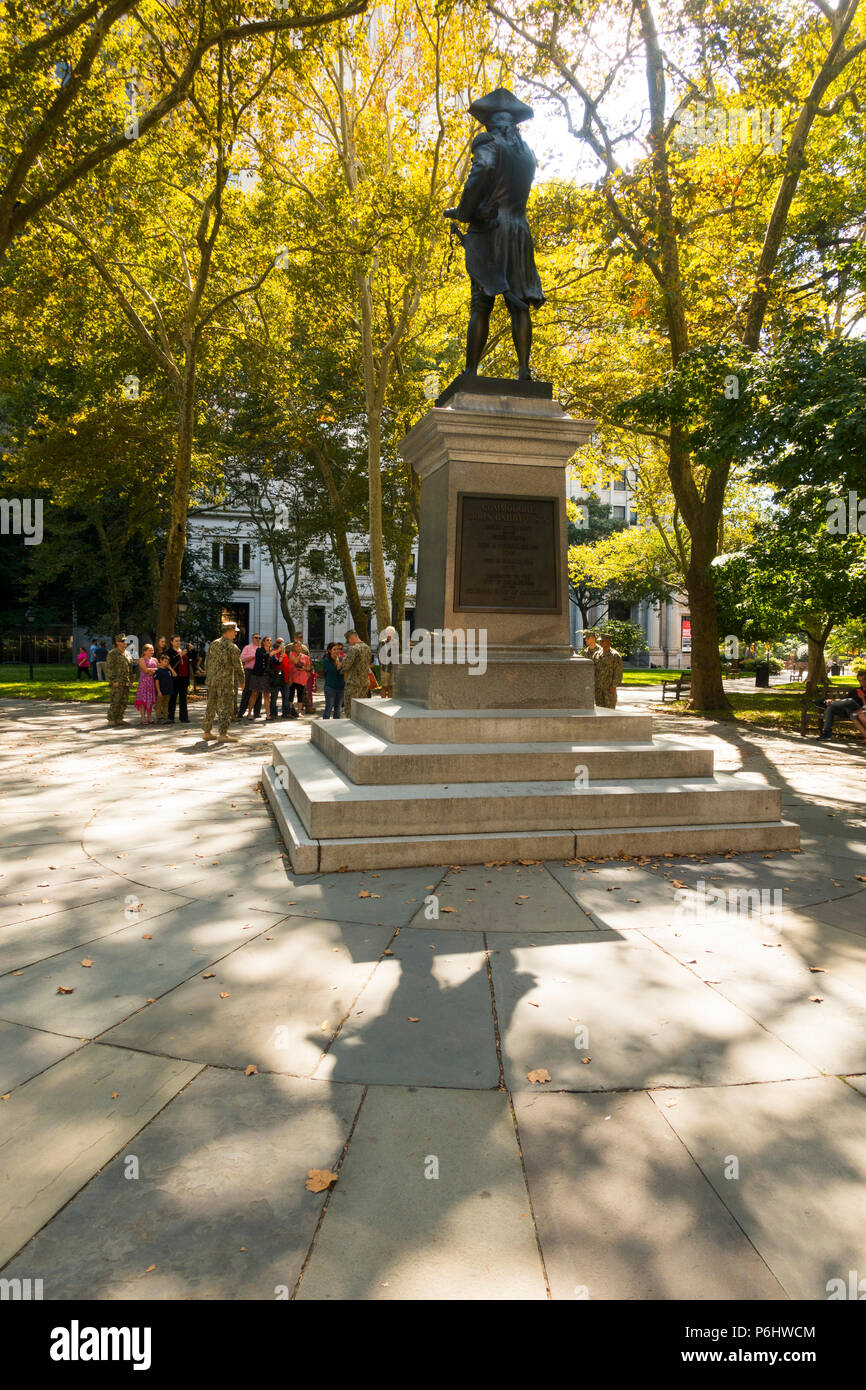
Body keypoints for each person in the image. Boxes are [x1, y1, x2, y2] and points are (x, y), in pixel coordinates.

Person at [443, 88, 545, 380]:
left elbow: (485, 168)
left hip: (491, 231)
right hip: (519, 231)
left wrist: (463, 211)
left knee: (481, 301)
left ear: (490, 124)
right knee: (520, 302)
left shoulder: (488, 143)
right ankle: (524, 370)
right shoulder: (526, 153)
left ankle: (471, 372)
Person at [202, 620, 245, 743]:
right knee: (225, 707)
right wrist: (242, 681)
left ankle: (206, 732)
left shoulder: (213, 644)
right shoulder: (232, 647)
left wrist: (210, 676)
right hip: (225, 682)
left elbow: (207, 662)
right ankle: (223, 734)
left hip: (212, 681)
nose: (236, 634)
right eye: (235, 632)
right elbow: (238, 666)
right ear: (230, 631)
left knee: (211, 706)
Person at [817, 668, 866, 742]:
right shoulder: (856, 690)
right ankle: (827, 733)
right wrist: (831, 701)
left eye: (863, 680)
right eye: (860, 680)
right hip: (847, 711)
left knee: (850, 701)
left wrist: (862, 698)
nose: (862, 682)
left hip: (858, 710)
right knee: (831, 707)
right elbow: (843, 700)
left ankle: (824, 704)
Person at [341, 629, 372, 719]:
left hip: (353, 682)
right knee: (361, 708)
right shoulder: (367, 647)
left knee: (350, 708)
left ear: (352, 638)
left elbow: (347, 666)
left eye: (349, 640)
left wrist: (343, 663)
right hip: (364, 682)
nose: (349, 643)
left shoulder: (353, 649)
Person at [106, 634, 132, 726]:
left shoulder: (128, 653)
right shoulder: (112, 653)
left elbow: (130, 668)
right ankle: (111, 719)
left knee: (124, 701)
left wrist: (131, 680)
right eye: (122, 641)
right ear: (117, 642)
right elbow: (109, 668)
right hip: (117, 681)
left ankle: (119, 718)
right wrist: (113, 681)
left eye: (125, 641)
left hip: (126, 681)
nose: (124, 643)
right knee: (115, 700)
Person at [594, 634, 623, 709]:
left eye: (603, 641)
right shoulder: (597, 654)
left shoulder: (615, 655)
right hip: (598, 688)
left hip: (609, 689)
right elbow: (593, 670)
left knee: (610, 709)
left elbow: (618, 672)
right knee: (599, 709)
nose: (600, 643)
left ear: (608, 642)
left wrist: (614, 685)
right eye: (600, 641)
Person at [237, 633, 261, 720]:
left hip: (259, 672)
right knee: (247, 692)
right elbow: (242, 658)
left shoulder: (262, 648)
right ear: (252, 638)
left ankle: (257, 712)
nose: (258, 639)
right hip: (249, 671)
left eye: (259, 638)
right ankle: (241, 712)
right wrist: (254, 656)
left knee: (258, 693)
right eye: (256, 638)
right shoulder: (247, 647)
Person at [287, 636, 312, 716]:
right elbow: (295, 661)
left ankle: (299, 711)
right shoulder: (292, 654)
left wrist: (304, 668)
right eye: (296, 647)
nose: (297, 648)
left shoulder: (306, 657)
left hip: (301, 679)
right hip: (293, 678)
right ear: (294, 648)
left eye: (299, 646)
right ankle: (290, 710)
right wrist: (300, 656)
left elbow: (308, 667)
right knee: (291, 694)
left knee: (300, 695)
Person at [167, 635, 190, 723]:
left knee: (183, 699)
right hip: (175, 678)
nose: (178, 642)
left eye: (179, 641)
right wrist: (179, 655)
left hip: (184, 678)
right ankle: (171, 717)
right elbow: (170, 663)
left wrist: (193, 650)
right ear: (172, 642)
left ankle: (184, 717)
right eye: (176, 641)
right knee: (173, 698)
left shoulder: (183, 651)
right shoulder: (169, 652)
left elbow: (193, 658)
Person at [134, 643, 158, 724]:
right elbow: (145, 670)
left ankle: (150, 717)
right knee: (143, 701)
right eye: (150, 650)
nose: (152, 651)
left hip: (152, 683)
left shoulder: (155, 660)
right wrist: (154, 670)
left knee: (150, 701)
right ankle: (143, 718)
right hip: (144, 683)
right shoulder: (141, 659)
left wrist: (151, 670)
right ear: (144, 651)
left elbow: (159, 668)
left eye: (153, 650)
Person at [322, 641, 345, 719]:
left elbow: (344, 671)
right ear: (329, 650)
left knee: (338, 710)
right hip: (330, 688)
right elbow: (333, 669)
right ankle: (324, 725)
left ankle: (336, 727)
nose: (337, 651)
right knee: (328, 708)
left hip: (341, 688)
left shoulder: (341, 659)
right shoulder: (326, 660)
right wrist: (342, 662)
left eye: (338, 649)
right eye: (334, 649)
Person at [377, 625, 397, 699]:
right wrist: (381, 665)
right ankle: (383, 702)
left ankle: (390, 701)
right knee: (384, 686)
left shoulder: (396, 642)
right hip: (385, 668)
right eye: (389, 632)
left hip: (393, 668)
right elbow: (378, 655)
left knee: (391, 686)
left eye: (392, 632)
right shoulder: (382, 642)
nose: (390, 633)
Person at [154, 654, 174, 722]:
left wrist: (170, 668)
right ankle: (159, 717)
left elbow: (175, 675)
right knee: (159, 704)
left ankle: (166, 717)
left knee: (166, 704)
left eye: (167, 662)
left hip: (168, 690)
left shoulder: (168, 670)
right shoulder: (158, 671)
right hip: (161, 691)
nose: (166, 663)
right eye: (164, 661)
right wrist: (158, 691)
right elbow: (156, 682)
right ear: (161, 661)